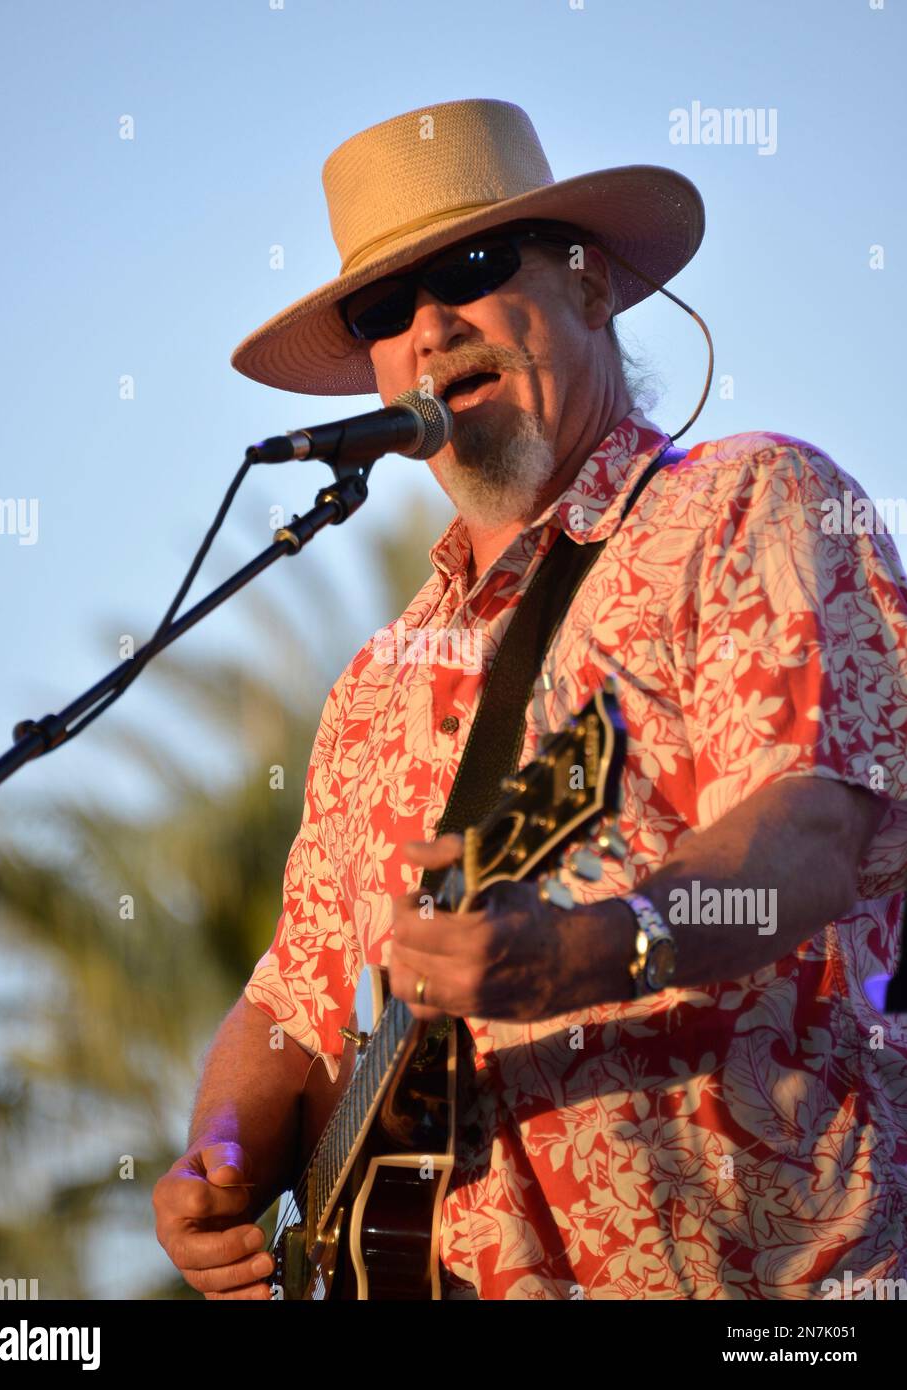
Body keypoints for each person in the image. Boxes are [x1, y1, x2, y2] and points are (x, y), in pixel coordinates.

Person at [153, 98, 907, 1300]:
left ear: (591, 288)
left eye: (469, 268)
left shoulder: (750, 504)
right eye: (383, 311)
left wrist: (581, 948)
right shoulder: (369, 689)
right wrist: (226, 1155)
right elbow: (288, 1008)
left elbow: (810, 837)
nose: (431, 326)